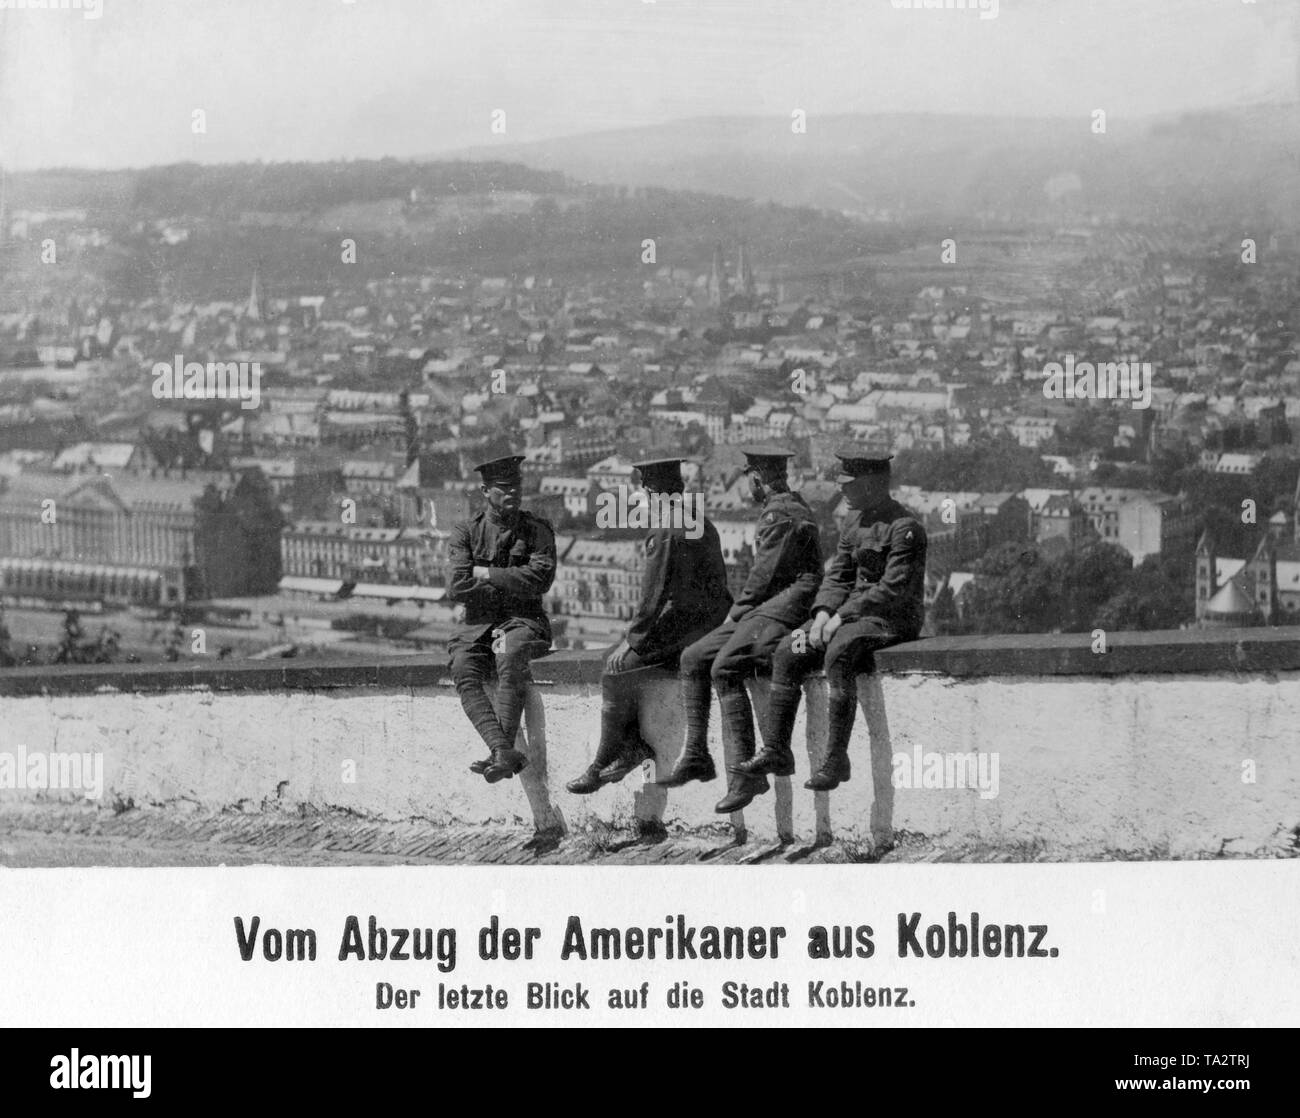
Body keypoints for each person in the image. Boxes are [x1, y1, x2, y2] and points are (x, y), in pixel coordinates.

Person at [736, 446, 926, 791]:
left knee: (839, 651)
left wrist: (840, 618)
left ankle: (836, 759)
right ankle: (777, 749)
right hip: (849, 614)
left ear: (872, 483)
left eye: (849, 483)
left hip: (889, 619)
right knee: (788, 647)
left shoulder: (905, 528)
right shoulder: (854, 522)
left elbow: (891, 591)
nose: (843, 490)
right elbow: (837, 575)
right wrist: (823, 612)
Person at [662, 445, 823, 813]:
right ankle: (698, 754)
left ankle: (745, 777)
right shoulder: (784, 506)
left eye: (749, 477)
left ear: (756, 477)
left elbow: (762, 579)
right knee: (692, 657)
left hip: (786, 607)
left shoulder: (780, 513)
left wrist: (734, 617)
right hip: (768, 607)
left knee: (724, 666)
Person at [566, 455, 732, 794]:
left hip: (687, 628)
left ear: (652, 491)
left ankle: (605, 761)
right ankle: (629, 748)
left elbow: (653, 595)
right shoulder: (696, 518)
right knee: (620, 660)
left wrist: (633, 639)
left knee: (615, 667)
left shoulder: (666, 527)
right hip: (708, 623)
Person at [446, 453, 556, 784]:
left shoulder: (537, 531)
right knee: (464, 668)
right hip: (478, 628)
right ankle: (502, 749)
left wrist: (486, 573)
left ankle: (501, 752)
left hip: (524, 622)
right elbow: (456, 586)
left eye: (517, 487)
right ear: (485, 491)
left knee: (508, 653)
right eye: (504, 488)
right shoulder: (466, 531)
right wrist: (510, 580)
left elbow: (540, 579)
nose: (513, 493)